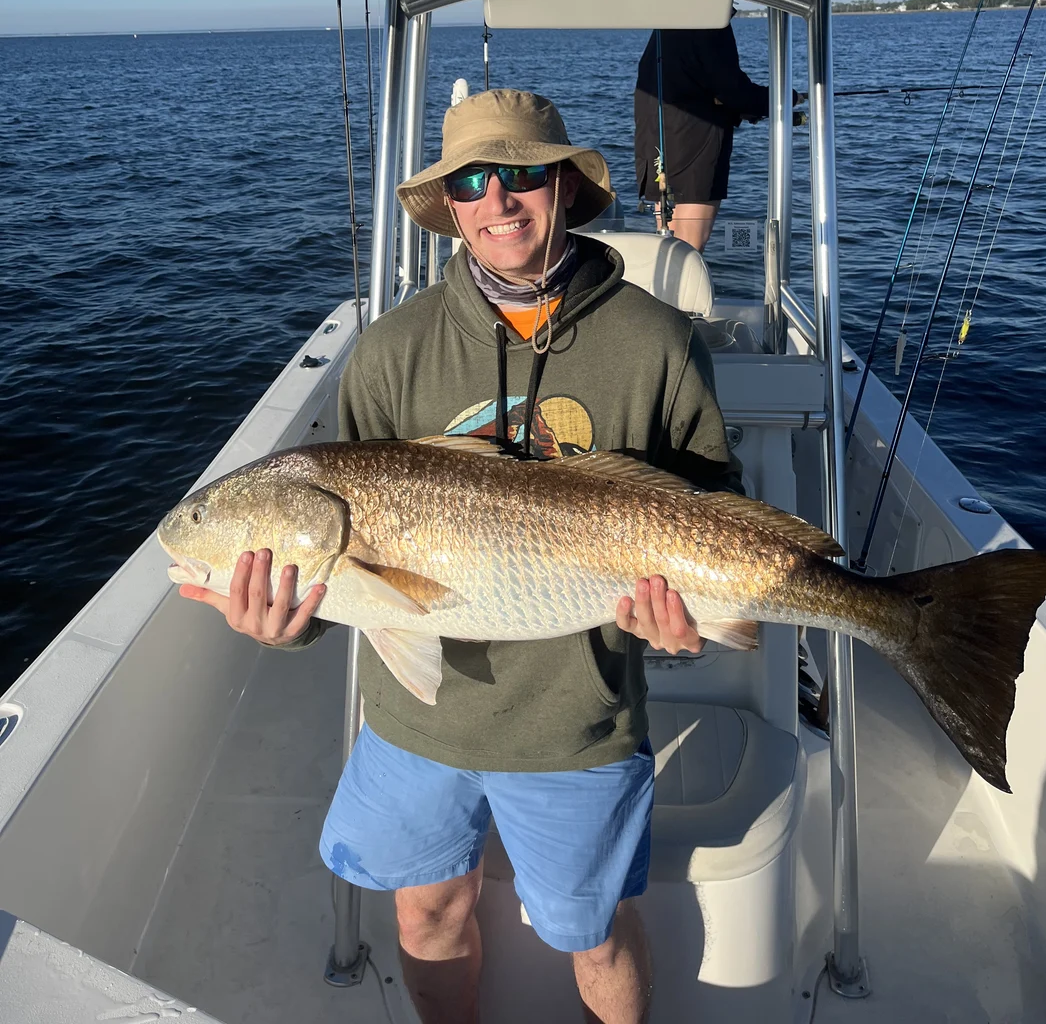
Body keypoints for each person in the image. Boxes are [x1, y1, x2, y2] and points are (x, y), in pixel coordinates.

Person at [179, 88, 742, 1024]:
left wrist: (687, 629)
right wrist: (287, 625)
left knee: (593, 932)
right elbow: (344, 583)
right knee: (427, 912)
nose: (499, 199)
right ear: (450, 205)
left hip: (576, 722)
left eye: (522, 173)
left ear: (563, 186)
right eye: (474, 180)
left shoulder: (658, 342)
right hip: (415, 727)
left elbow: (711, 514)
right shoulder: (392, 349)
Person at [633, 24, 775, 252]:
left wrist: (738, 108)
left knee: (668, 243)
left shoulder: (663, 28)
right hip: (693, 151)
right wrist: (783, 97)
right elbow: (733, 90)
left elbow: (687, 84)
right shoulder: (709, 23)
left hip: (657, 148)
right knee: (688, 250)